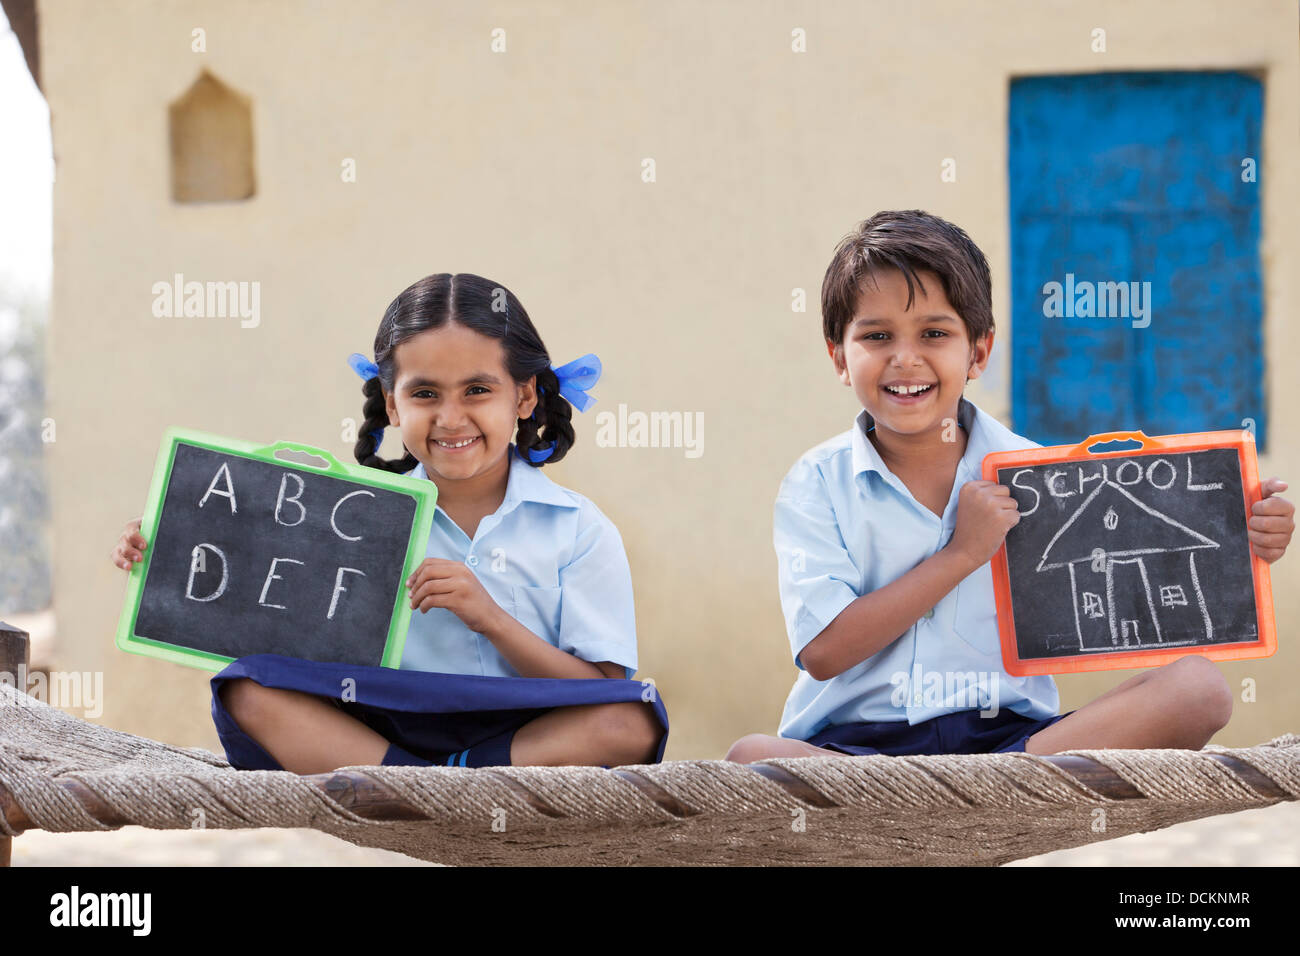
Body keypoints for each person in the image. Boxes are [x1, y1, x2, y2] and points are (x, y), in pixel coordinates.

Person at [726, 210, 1294, 763]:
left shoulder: (1041, 476)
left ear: (978, 352)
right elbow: (824, 653)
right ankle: (936, 818)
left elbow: (1136, 582)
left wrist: (1238, 539)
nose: (905, 358)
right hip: (851, 753)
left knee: (1200, 689)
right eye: (876, 335)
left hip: (1012, 751)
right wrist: (962, 554)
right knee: (751, 757)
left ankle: (955, 812)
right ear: (840, 358)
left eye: (934, 333)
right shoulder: (817, 483)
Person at [113, 272, 666, 773]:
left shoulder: (579, 529)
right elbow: (270, 618)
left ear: (523, 396)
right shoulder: (351, 516)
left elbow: (601, 695)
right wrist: (175, 544)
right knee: (247, 689)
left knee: (631, 719)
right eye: (425, 393)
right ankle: (416, 783)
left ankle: (445, 782)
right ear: (393, 405)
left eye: (478, 390)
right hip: (383, 732)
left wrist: (491, 618)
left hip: (529, 741)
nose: (451, 418)